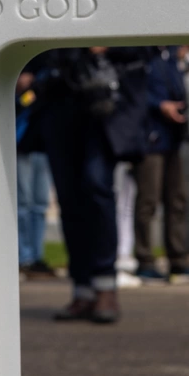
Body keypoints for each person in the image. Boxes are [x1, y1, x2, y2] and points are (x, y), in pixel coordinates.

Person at [38, 46, 148, 324]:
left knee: (97, 187)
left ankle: (105, 286)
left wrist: (109, 43)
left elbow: (145, 46)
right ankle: (82, 289)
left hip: (103, 103)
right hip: (60, 97)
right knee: (69, 199)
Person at [133, 47, 189, 285]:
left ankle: (178, 260)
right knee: (148, 201)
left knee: (177, 200)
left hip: (173, 138)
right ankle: (145, 262)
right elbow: (136, 91)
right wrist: (160, 105)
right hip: (150, 138)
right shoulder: (141, 55)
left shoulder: (170, 55)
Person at [15, 61, 57, 282]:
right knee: (24, 204)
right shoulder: (25, 75)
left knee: (39, 204)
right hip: (23, 146)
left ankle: (36, 256)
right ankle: (24, 256)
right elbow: (18, 106)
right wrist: (24, 88)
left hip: (44, 147)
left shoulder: (52, 71)